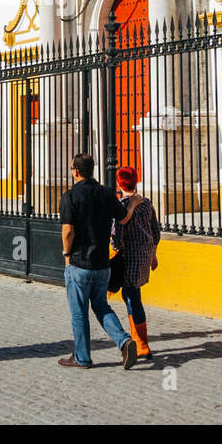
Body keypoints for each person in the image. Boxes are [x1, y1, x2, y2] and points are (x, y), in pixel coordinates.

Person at [58, 153, 144, 370]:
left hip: (79, 263)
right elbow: (123, 217)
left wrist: (67, 256)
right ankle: (124, 341)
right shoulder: (106, 193)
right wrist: (132, 202)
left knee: (79, 312)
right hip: (102, 264)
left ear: (76, 171)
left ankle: (82, 357)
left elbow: (68, 231)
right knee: (101, 306)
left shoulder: (70, 196)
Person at [111, 166, 161, 361]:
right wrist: (153, 254)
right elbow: (155, 231)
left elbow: (117, 235)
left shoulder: (122, 205)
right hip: (143, 255)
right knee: (132, 294)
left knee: (132, 297)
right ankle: (139, 340)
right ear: (136, 181)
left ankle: (141, 344)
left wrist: (113, 248)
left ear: (118, 183)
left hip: (129, 258)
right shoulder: (146, 204)